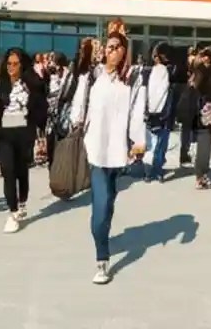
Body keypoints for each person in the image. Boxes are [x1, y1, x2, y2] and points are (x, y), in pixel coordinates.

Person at [70, 31, 146, 285]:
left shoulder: (133, 79)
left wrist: (138, 142)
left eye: (117, 47)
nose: (112, 51)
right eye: (109, 47)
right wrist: (74, 123)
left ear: (125, 51)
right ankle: (102, 259)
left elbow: (137, 112)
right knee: (100, 206)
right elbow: (78, 109)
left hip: (120, 151)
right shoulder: (92, 77)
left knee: (109, 201)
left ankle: (102, 233)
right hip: (96, 149)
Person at [0, 47, 48, 233]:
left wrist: (40, 131)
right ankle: (12, 212)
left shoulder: (31, 82)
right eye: (9, 63)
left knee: (21, 170)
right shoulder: (2, 83)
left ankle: (22, 201)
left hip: (24, 132)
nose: (11, 67)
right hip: (5, 132)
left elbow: (41, 106)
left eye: (15, 64)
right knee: (7, 170)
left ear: (22, 64)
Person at [178, 48, 211, 189]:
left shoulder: (200, 72)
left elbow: (195, 89)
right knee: (205, 139)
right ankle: (201, 171)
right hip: (208, 107)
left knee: (203, 139)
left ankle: (199, 172)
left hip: (200, 107)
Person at [144, 43, 173, 183]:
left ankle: (154, 170)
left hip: (157, 111)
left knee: (155, 143)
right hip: (160, 111)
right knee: (159, 143)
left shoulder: (164, 71)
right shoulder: (153, 71)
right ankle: (156, 170)